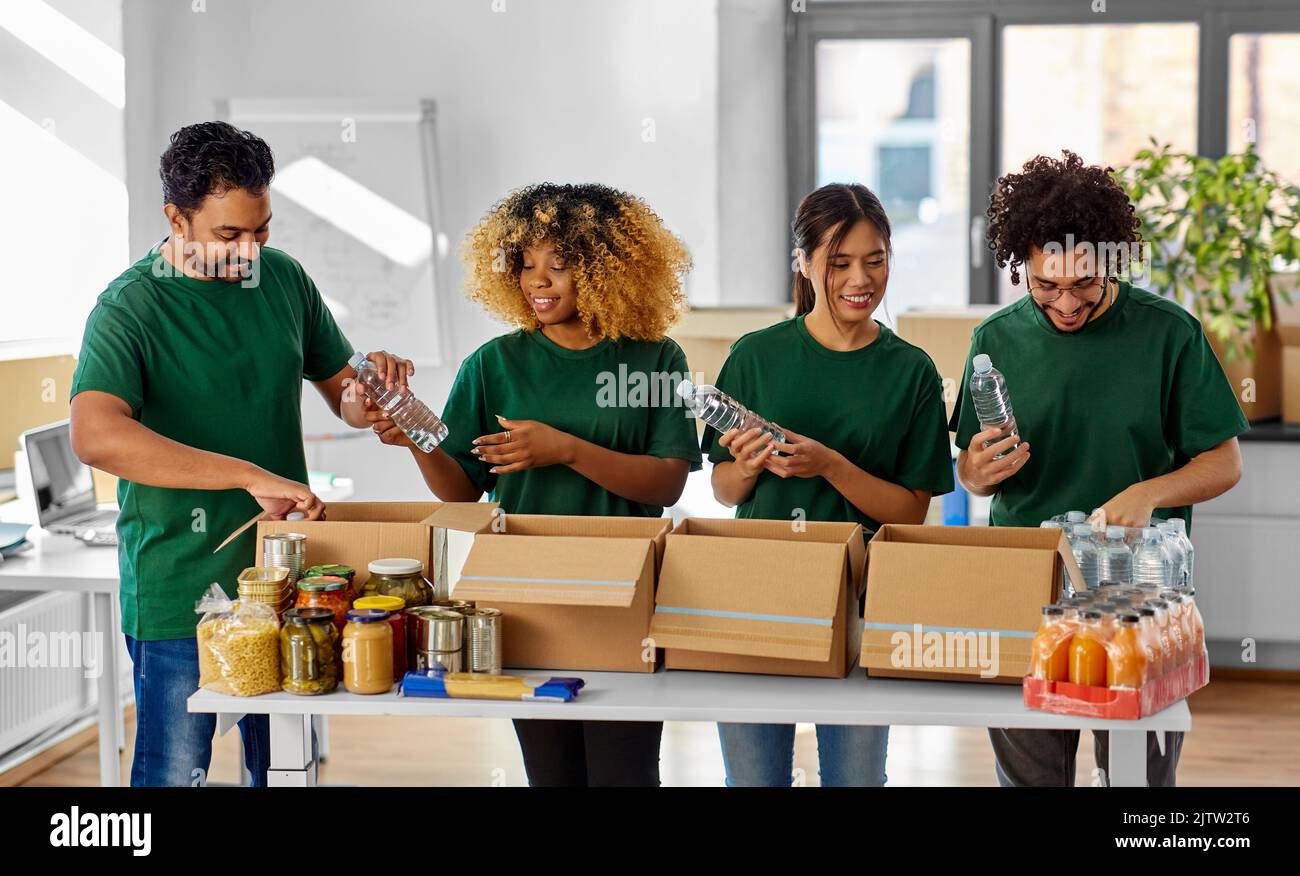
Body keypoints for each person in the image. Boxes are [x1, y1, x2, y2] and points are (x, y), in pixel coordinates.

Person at [69, 121, 408, 786]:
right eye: (230, 235)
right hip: (179, 593)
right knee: (175, 775)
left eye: (262, 229)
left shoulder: (284, 280)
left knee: (285, 772)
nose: (250, 251)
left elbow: (341, 389)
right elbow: (96, 435)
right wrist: (247, 476)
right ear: (177, 218)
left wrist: (369, 401)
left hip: (287, 584)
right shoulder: (130, 308)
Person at [367, 182, 701, 786]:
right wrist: (415, 437)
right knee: (551, 775)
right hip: (525, 590)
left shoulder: (656, 360)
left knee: (624, 774)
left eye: (559, 266)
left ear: (606, 270)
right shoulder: (493, 364)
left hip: (625, 589)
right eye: (525, 265)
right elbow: (462, 490)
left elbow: (668, 480)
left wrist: (564, 448)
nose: (537, 281)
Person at [951, 150, 1245, 787]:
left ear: (1111, 260)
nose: (1064, 302)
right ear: (1020, 265)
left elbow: (1224, 462)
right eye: (1044, 283)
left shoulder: (1169, 334)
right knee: (1032, 780)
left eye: (1083, 283)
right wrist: (976, 471)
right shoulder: (996, 339)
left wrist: (1149, 492)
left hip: (1142, 596)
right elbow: (971, 473)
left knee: (1139, 785)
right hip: (1027, 587)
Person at [704, 183, 955, 786]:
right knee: (756, 781)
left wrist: (832, 466)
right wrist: (748, 463)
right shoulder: (756, 356)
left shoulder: (910, 371)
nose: (859, 279)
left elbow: (910, 513)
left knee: (856, 780)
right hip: (758, 596)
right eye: (838, 262)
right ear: (804, 263)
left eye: (875, 260)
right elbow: (724, 489)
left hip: (863, 602)